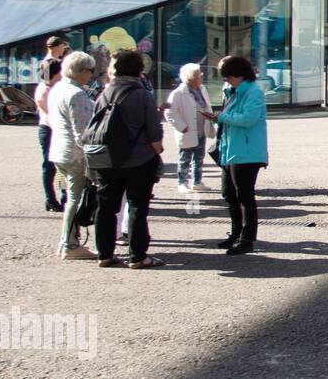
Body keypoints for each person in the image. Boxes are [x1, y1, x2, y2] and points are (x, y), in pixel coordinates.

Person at [93, 49, 165, 269]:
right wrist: (157, 151)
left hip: (106, 158)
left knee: (105, 207)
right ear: (139, 69)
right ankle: (137, 256)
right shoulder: (142, 94)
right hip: (138, 158)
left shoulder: (104, 92)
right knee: (136, 207)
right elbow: (154, 132)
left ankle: (104, 253)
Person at [213, 55, 269, 255]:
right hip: (231, 149)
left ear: (239, 75)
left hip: (247, 152)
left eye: (228, 76)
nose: (226, 80)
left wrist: (221, 116)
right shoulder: (232, 91)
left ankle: (247, 238)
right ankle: (236, 233)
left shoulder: (253, 92)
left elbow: (248, 119)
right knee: (229, 193)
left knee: (245, 195)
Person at [47, 52, 97, 260]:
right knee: (76, 199)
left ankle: (69, 241)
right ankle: (69, 244)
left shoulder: (57, 88)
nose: (92, 75)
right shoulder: (76, 94)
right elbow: (83, 132)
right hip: (75, 153)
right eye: (90, 70)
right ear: (81, 71)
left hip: (59, 149)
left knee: (71, 197)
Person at [165, 64, 215, 193]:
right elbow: (169, 113)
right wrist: (182, 127)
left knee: (199, 158)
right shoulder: (178, 93)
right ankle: (182, 183)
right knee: (184, 159)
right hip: (187, 131)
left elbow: (206, 106)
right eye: (198, 74)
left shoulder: (202, 89)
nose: (202, 75)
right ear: (190, 78)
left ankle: (197, 182)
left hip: (201, 129)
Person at [35, 57, 67, 212]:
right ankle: (50, 199)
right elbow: (54, 112)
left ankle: (64, 195)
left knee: (61, 166)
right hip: (48, 129)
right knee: (49, 166)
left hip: (55, 129)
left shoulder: (55, 87)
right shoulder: (44, 90)